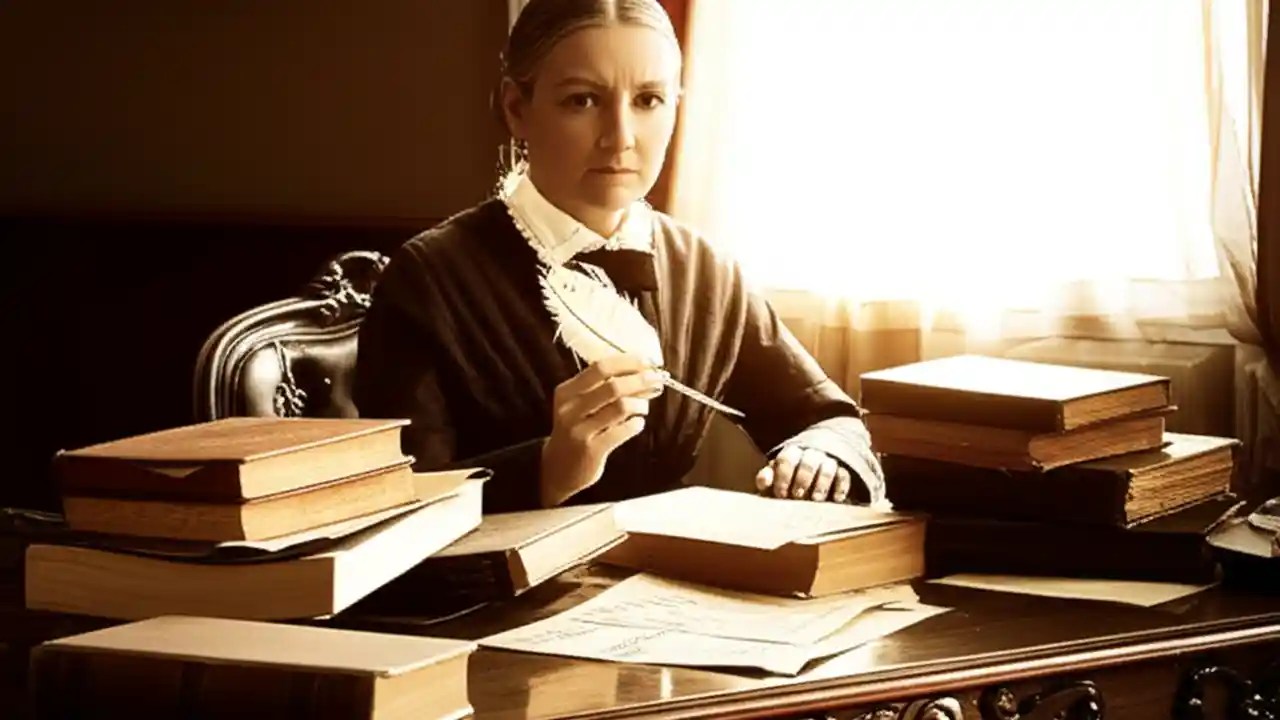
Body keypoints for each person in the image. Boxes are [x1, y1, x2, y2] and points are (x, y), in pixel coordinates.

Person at [352, 0, 884, 513]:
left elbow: (829, 418)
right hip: (497, 598)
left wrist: (822, 453)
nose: (620, 138)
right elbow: (399, 509)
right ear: (517, 108)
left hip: (664, 588)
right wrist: (546, 468)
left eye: (648, 100)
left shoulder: (705, 271)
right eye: (582, 100)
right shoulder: (428, 280)